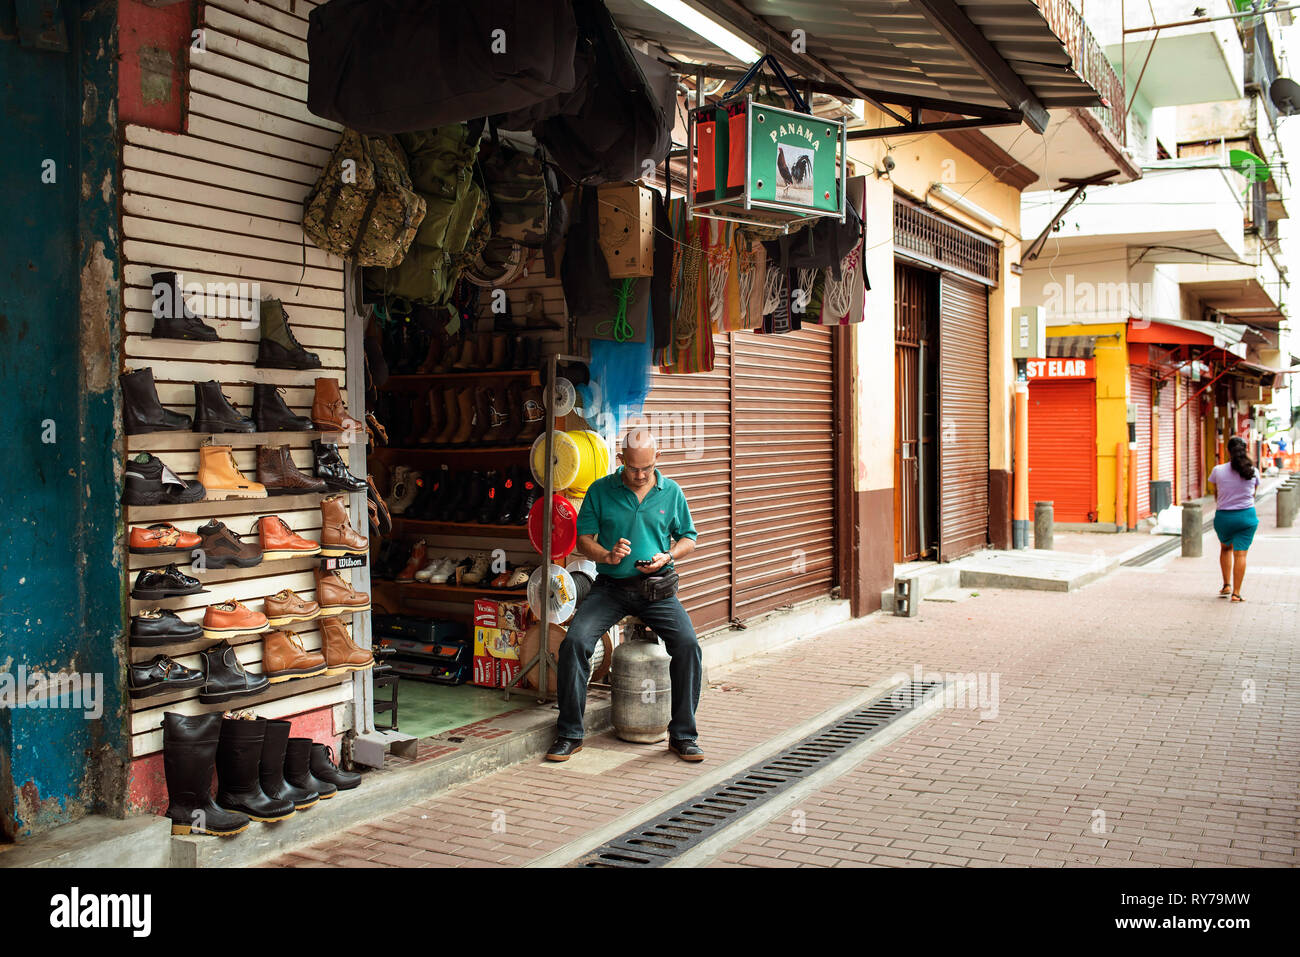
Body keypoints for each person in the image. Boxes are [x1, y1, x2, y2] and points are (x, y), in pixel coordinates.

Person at [545, 428, 703, 762]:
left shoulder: (671, 492)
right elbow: (582, 539)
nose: (641, 475)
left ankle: (683, 735)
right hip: (611, 588)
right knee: (574, 643)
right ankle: (570, 733)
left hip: (656, 588)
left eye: (647, 468)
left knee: (688, 646)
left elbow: (689, 536)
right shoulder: (600, 491)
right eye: (633, 469)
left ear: (656, 458)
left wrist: (668, 556)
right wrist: (606, 555)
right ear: (621, 461)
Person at [1208, 436, 1260, 603]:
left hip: (1224, 517)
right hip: (1247, 517)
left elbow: (1216, 493)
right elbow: (1254, 493)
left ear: (1228, 451)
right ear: (1245, 450)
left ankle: (1226, 585)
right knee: (1241, 554)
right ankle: (1236, 594)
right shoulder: (1253, 471)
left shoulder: (1218, 470)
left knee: (1225, 549)